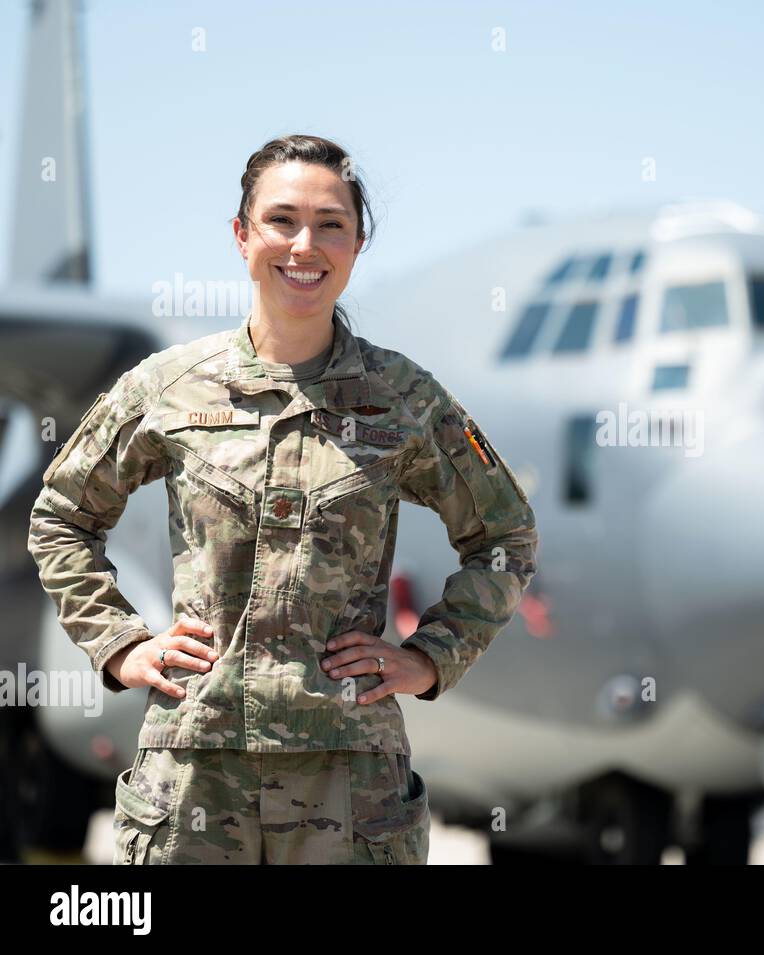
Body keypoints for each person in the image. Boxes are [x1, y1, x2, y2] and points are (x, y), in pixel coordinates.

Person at [27, 134, 539, 864]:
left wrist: (431, 655)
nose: (305, 244)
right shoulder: (170, 389)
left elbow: (507, 535)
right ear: (242, 236)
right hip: (196, 774)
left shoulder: (404, 401)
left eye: (331, 223)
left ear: (358, 243)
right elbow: (61, 517)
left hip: (350, 781)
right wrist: (121, 644)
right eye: (282, 220)